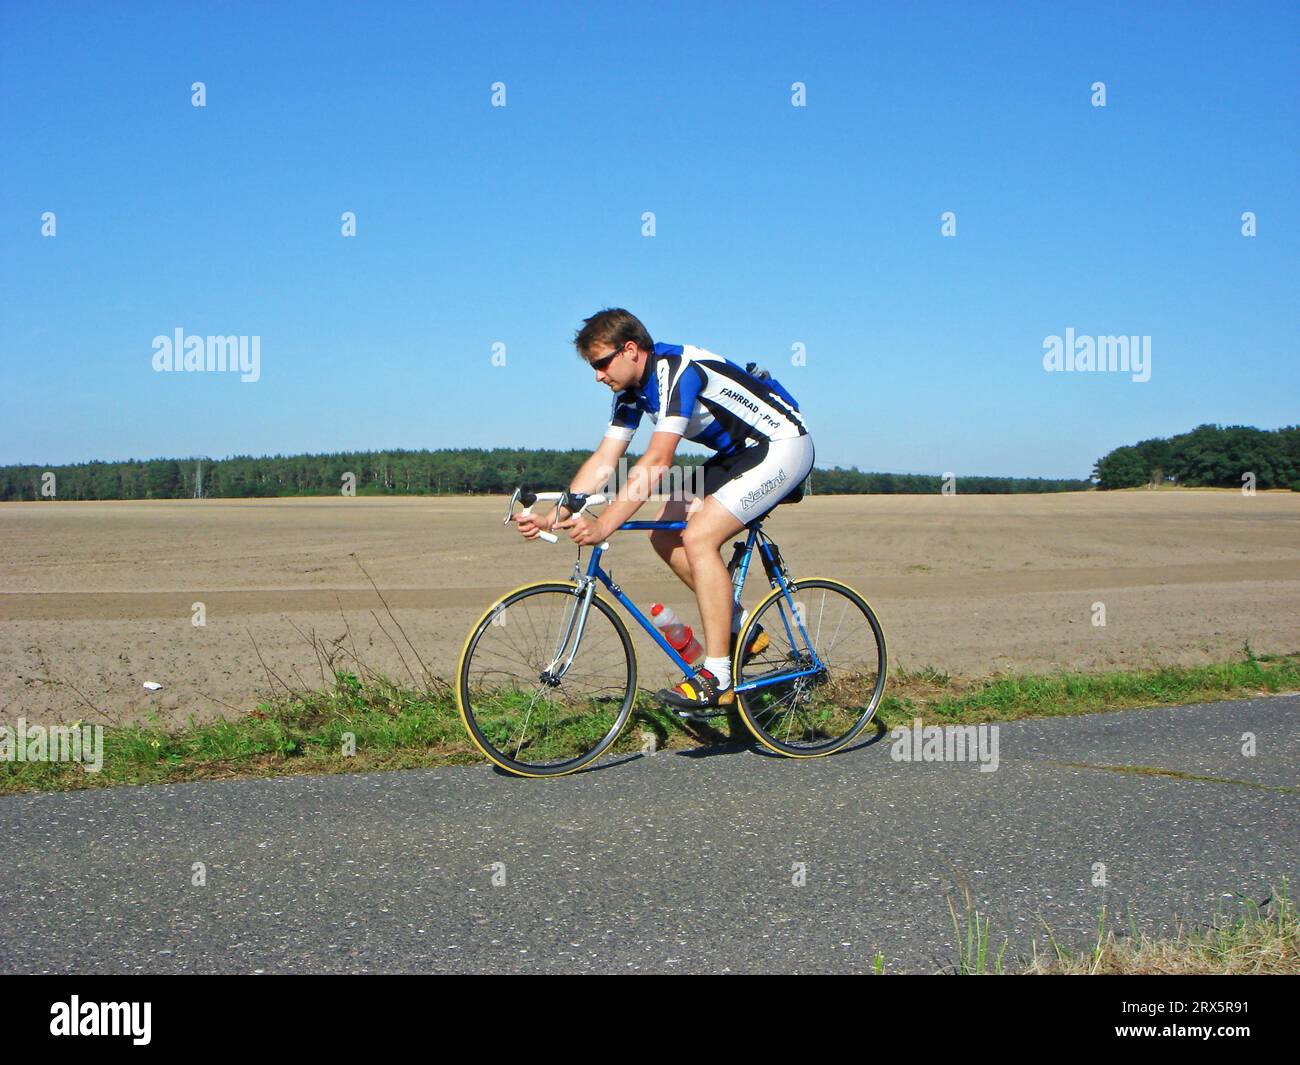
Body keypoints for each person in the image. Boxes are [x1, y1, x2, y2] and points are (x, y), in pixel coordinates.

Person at [514, 308, 814, 713]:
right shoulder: (630, 393)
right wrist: (555, 514)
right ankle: (741, 628)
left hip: (783, 446)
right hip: (739, 454)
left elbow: (657, 460)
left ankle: (717, 674)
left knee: (699, 536)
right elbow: (607, 459)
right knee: (664, 533)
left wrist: (605, 525)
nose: (597, 375)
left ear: (631, 350)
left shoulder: (675, 371)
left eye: (601, 363)